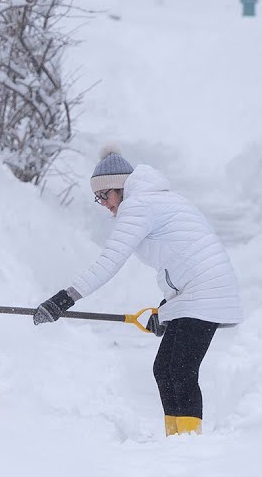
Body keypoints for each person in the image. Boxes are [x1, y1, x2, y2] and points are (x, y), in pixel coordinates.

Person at [32, 144, 244, 436]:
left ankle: (189, 442)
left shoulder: (139, 204)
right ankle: (180, 438)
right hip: (200, 292)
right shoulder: (157, 200)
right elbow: (183, 259)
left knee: (180, 370)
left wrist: (64, 299)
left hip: (205, 294)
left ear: (120, 187)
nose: (104, 203)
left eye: (104, 195)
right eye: (98, 198)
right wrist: (167, 310)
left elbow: (110, 261)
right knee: (166, 369)